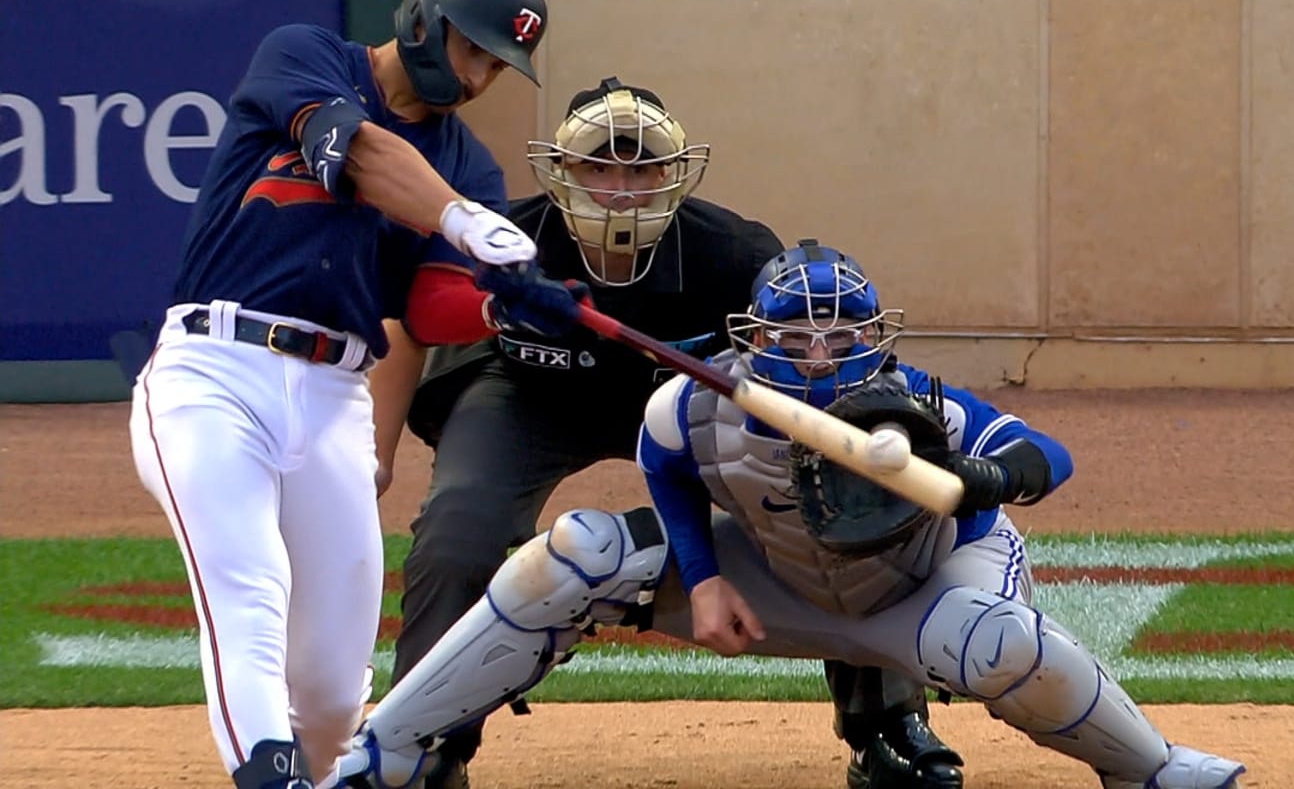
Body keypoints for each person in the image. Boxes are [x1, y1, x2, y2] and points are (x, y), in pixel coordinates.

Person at [333, 240, 1247, 789]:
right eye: (794, 337)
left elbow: (1052, 454)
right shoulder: (697, 406)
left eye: (839, 336)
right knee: (572, 555)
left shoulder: (915, 401)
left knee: (997, 641)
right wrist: (709, 576)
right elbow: (663, 465)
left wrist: (982, 475)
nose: (816, 355)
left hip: (925, 595)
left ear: (872, 338)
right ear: (756, 339)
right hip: (772, 585)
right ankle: (393, 749)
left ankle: (1151, 766)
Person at [368, 78, 960, 789]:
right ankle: (422, 741)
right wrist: (376, 448)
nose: (621, 190)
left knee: (837, 498)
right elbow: (407, 316)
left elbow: (824, 348)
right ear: (561, 169)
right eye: (599, 166)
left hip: (685, 403)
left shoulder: (732, 255)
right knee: (460, 526)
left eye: (643, 168)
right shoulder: (503, 236)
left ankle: (887, 724)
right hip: (528, 391)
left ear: (677, 174)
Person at [126, 0, 575, 789]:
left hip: (335, 397)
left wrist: (498, 305)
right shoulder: (303, 54)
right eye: (473, 48)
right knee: (249, 589)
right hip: (212, 374)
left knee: (334, 689)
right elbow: (362, 153)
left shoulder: (466, 160)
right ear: (422, 18)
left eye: (495, 64)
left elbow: (425, 305)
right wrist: (465, 221)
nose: (479, 77)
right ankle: (264, 774)